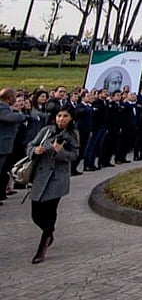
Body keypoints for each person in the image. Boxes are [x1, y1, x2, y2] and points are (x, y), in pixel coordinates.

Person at [27, 107, 78, 263]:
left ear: (70, 118)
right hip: (41, 175)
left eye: (65, 116)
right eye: (59, 115)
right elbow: (30, 145)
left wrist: (59, 152)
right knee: (36, 213)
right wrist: (35, 150)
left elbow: (74, 155)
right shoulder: (46, 131)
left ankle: (43, 245)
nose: (61, 119)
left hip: (57, 177)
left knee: (50, 211)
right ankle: (49, 232)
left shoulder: (72, 135)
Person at [0, 88, 27, 203]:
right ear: (9, 97)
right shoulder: (2, 108)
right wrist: (22, 116)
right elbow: (12, 117)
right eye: (14, 97)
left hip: (5, 146)